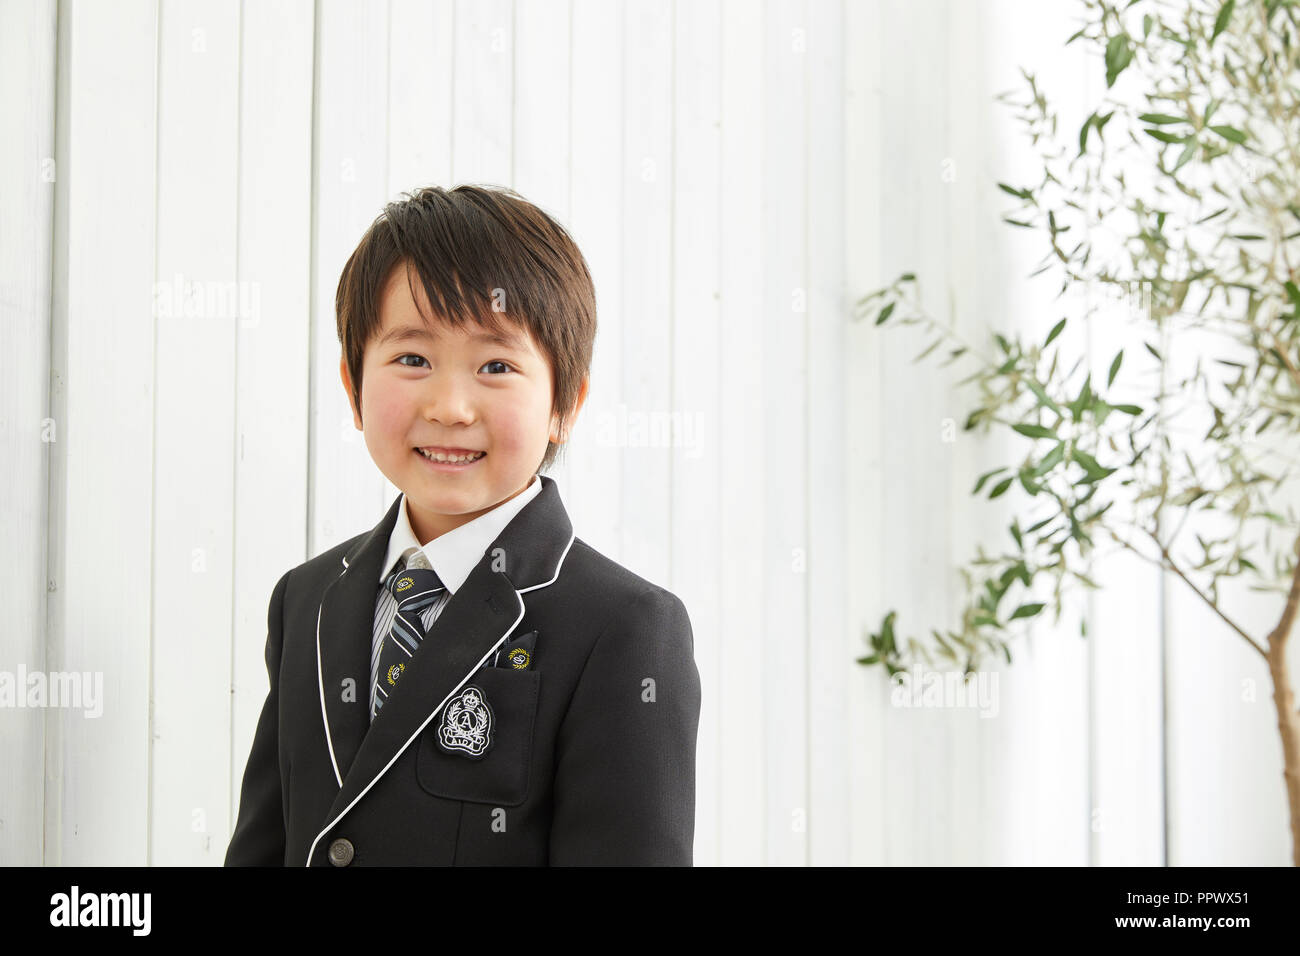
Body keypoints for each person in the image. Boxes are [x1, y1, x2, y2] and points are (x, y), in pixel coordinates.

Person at [224, 185, 701, 866]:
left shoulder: (624, 628)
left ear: (567, 402)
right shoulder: (307, 598)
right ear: (353, 385)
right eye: (412, 359)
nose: (450, 406)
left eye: (496, 366)